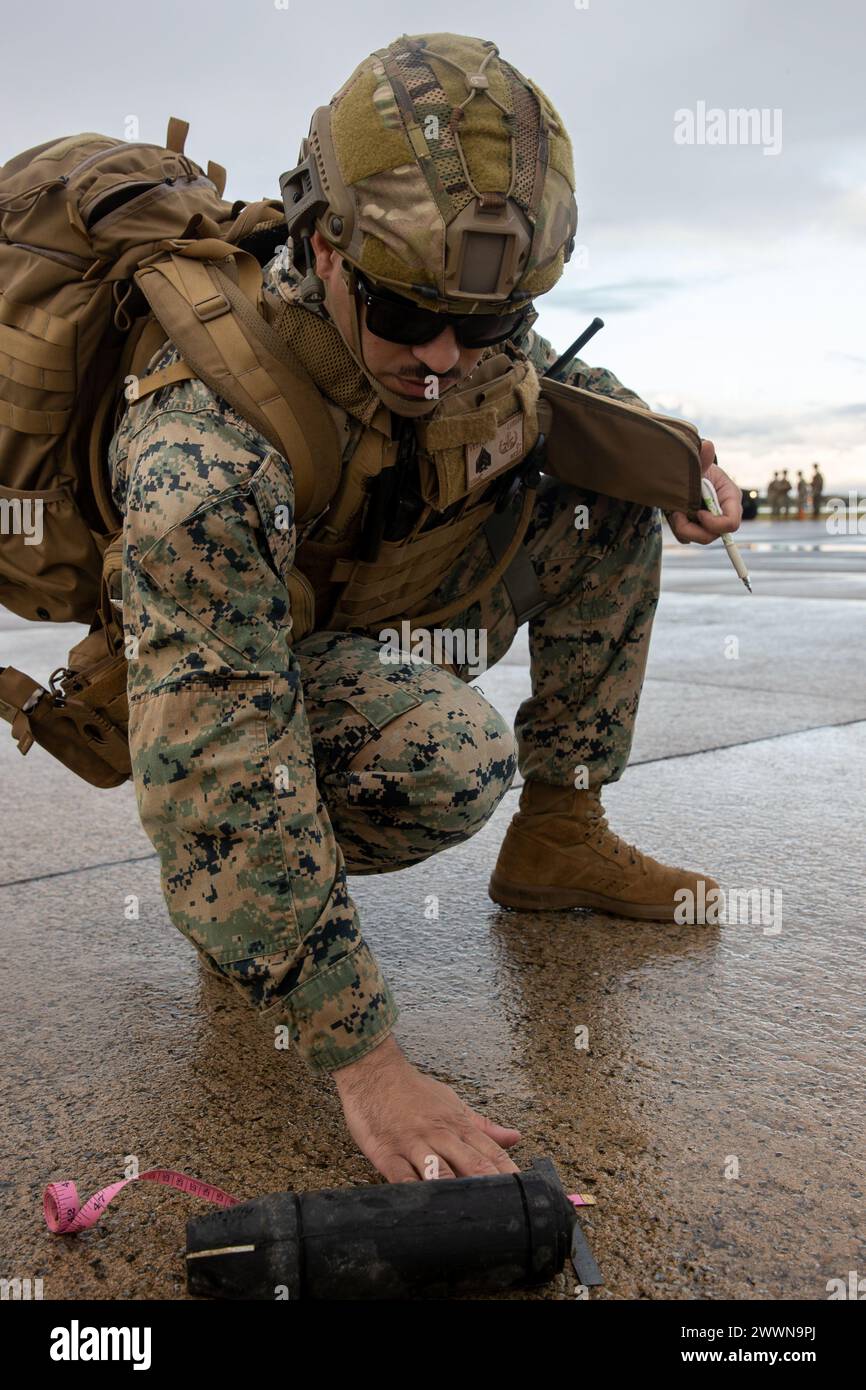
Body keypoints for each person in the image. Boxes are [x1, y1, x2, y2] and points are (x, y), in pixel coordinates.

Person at [108, 33, 742, 1183]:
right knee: (448, 757)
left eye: (482, 322)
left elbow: (555, 382)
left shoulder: (459, 328)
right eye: (406, 314)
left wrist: (678, 459)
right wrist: (366, 1057)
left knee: (609, 499)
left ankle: (561, 834)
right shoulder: (202, 442)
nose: (445, 358)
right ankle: (242, 915)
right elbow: (215, 749)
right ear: (323, 243)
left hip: (367, 603)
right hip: (234, 675)